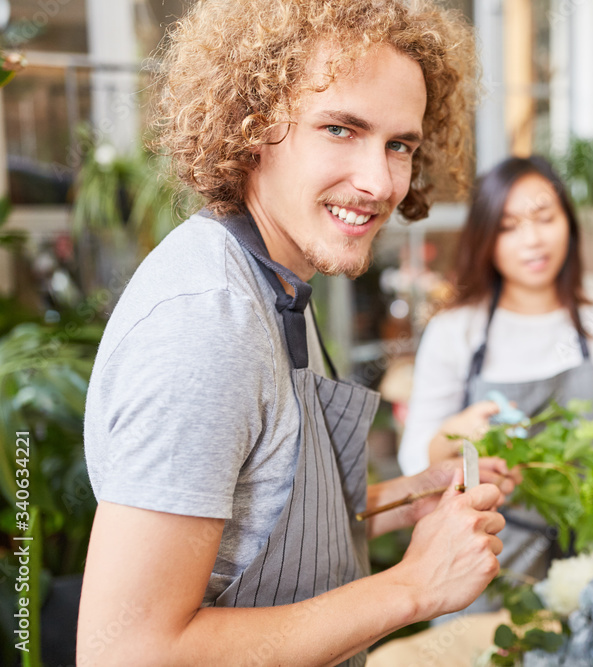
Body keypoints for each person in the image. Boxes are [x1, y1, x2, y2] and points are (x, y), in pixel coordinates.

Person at [77, 2, 517, 665]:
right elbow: (127, 652)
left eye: (400, 144)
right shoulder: (209, 325)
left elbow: (245, 514)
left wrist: (402, 498)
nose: (378, 181)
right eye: (340, 128)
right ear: (252, 123)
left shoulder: (274, 275)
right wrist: (415, 585)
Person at [396, 156, 593, 611]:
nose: (533, 240)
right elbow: (414, 456)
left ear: (568, 223)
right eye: (509, 226)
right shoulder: (457, 331)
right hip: (487, 559)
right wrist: (455, 431)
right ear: (486, 238)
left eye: (545, 218)